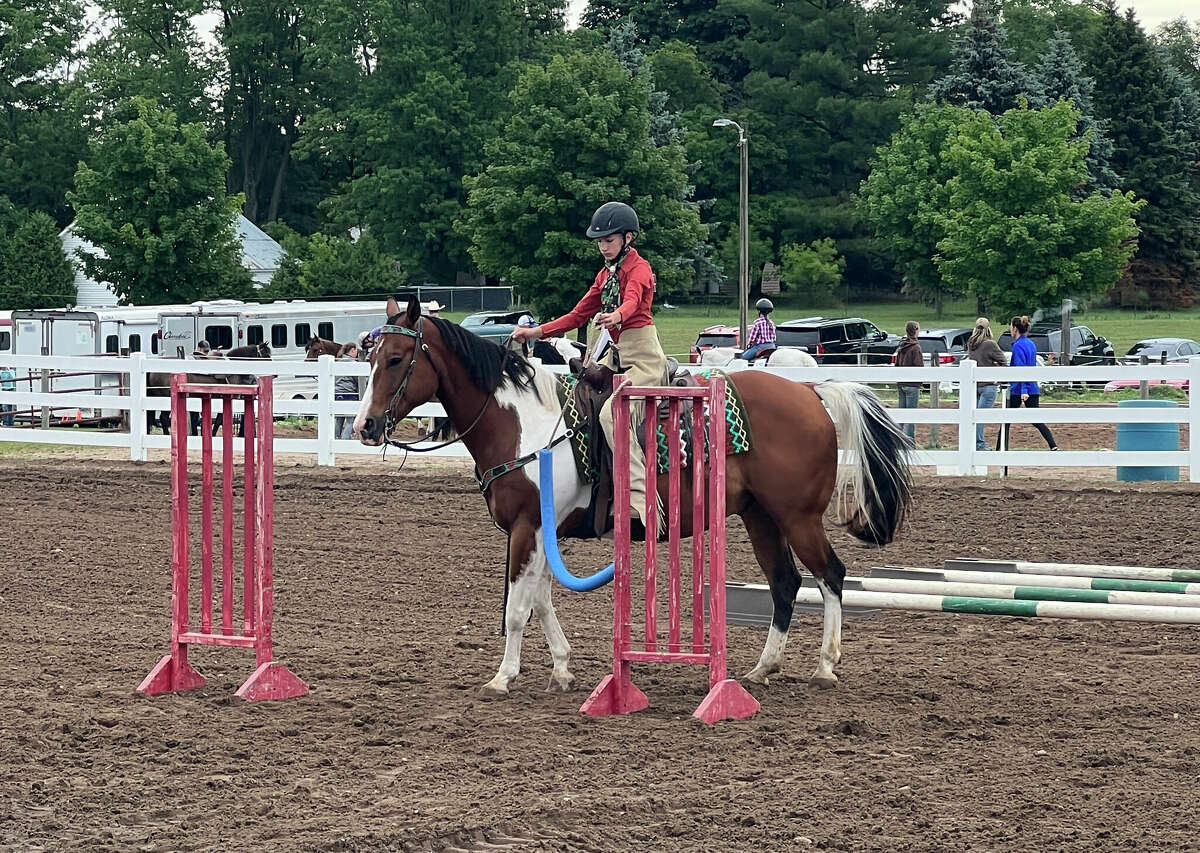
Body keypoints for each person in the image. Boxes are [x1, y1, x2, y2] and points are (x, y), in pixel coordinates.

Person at [510, 201, 668, 528]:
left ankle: (641, 502)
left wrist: (617, 315)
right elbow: (577, 314)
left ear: (628, 237)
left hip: (643, 357)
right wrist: (535, 332)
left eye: (608, 240)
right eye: (599, 241)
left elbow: (634, 300)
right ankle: (597, 489)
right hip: (615, 356)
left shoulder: (639, 269)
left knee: (613, 415)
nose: (603, 246)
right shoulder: (603, 276)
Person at [1008, 315, 1059, 451]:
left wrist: (1023, 390)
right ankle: (1053, 445)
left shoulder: (1018, 346)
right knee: (1037, 420)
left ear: (1014, 328)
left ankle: (999, 450)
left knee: (1005, 421)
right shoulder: (1031, 344)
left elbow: (1021, 369)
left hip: (1019, 388)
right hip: (1032, 387)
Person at [966, 317, 1007, 451]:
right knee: (980, 417)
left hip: (975, 385)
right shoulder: (990, 344)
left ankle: (974, 442)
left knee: (974, 416)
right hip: (988, 385)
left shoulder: (971, 344)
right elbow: (1003, 361)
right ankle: (979, 443)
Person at [893, 321, 923, 442]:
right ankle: (910, 441)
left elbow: (897, 365)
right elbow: (918, 366)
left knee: (901, 414)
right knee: (911, 415)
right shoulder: (916, 347)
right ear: (915, 330)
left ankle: (897, 440)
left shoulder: (902, 346)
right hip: (912, 385)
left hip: (901, 383)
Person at [334, 342, 361, 440]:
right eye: (356, 350)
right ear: (353, 350)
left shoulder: (337, 363)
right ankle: (345, 441)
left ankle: (335, 439)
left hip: (336, 394)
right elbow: (358, 380)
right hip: (349, 394)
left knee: (338, 420)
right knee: (350, 421)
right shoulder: (354, 364)